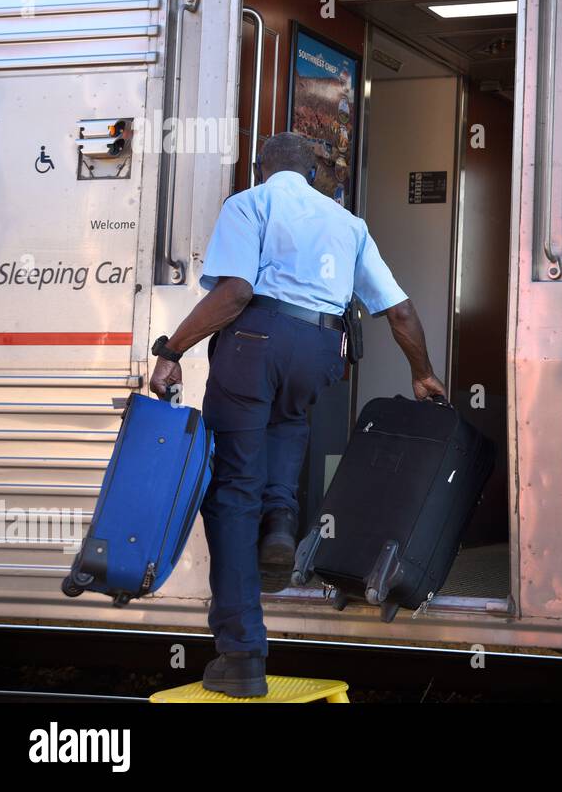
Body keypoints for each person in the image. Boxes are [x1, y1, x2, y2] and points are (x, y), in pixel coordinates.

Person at [146, 131, 444, 697]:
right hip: (319, 351)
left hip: (255, 340)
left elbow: (235, 293)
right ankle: (280, 525)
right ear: (313, 175)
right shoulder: (347, 222)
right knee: (288, 417)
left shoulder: (249, 203)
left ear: (261, 169)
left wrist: (172, 350)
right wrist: (422, 372)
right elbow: (399, 310)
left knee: (233, 493)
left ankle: (240, 655)